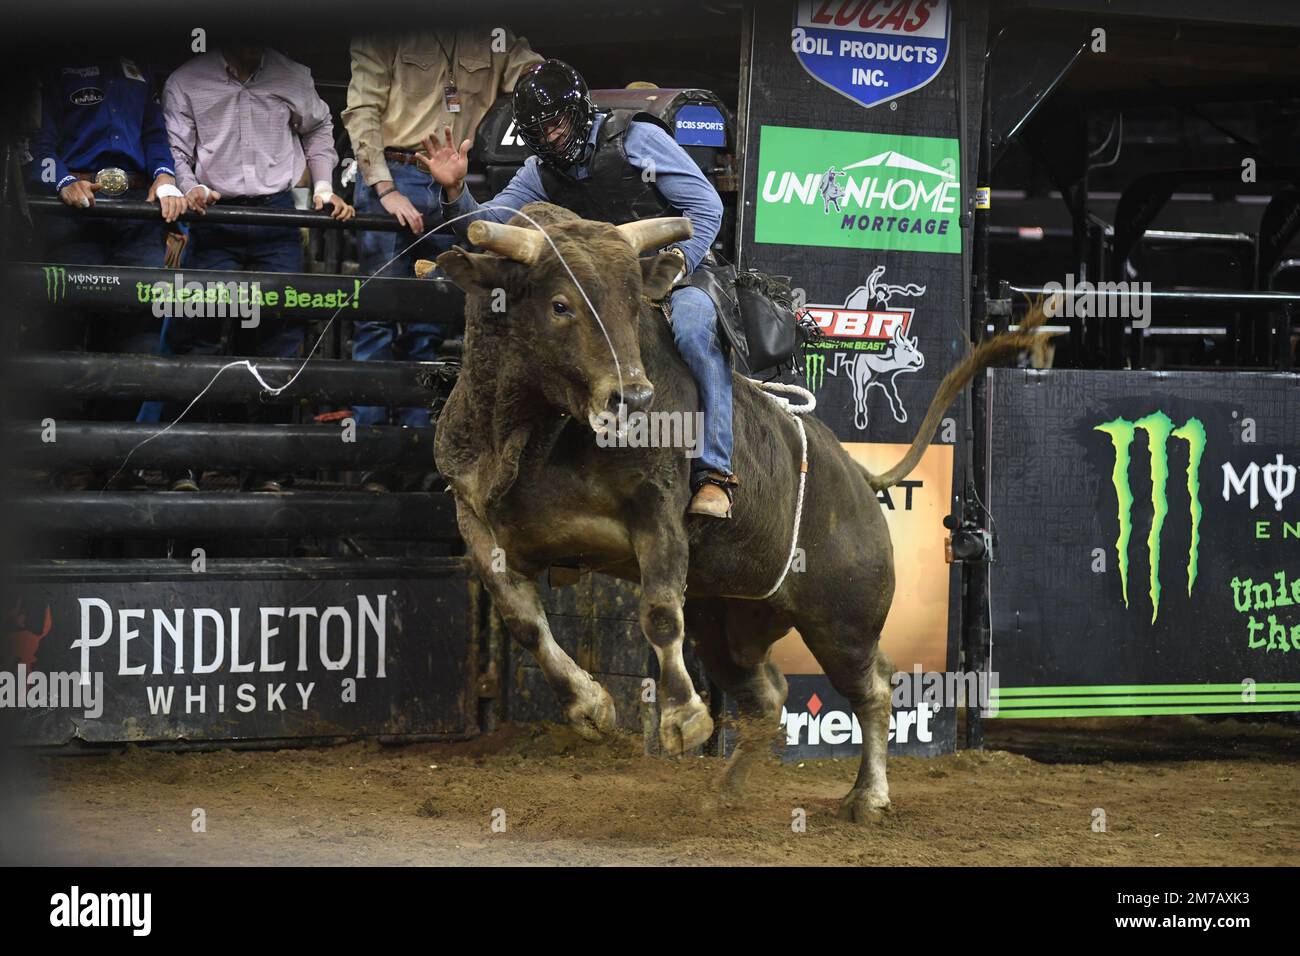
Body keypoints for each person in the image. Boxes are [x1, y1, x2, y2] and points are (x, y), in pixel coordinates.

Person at [420, 59, 738, 518]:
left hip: (670, 270)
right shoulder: (538, 172)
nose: (551, 137)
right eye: (539, 131)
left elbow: (705, 206)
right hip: (598, 293)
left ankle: (715, 473)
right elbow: (488, 226)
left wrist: (670, 273)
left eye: (557, 124)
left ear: (579, 112)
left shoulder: (636, 139)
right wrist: (454, 193)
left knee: (691, 328)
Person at [341, 28, 542, 472]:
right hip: (396, 170)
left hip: (453, 178)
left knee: (432, 318)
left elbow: (531, 70)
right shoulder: (387, 27)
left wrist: (549, 83)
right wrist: (385, 188)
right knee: (377, 313)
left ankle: (421, 453)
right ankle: (368, 455)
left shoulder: (492, 34)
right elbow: (362, 109)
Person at [162, 43, 353, 492]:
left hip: (276, 219)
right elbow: (175, 148)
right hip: (213, 218)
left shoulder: (293, 75)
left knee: (278, 345)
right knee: (199, 341)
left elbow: (321, 126)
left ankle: (265, 468)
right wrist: (189, 188)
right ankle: (183, 465)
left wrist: (324, 185)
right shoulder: (187, 80)